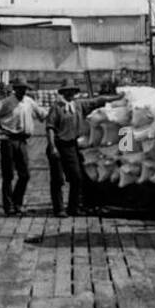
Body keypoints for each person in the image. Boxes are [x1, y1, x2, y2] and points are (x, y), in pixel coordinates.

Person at [0, 82, 46, 215]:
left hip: (22, 140)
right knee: (8, 175)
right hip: (8, 140)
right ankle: (8, 206)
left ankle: (17, 202)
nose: (22, 91)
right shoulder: (7, 102)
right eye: (19, 88)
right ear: (15, 89)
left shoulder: (29, 101)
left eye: (24, 89)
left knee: (25, 174)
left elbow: (42, 114)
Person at [46, 83, 88, 217]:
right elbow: (50, 127)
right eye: (67, 91)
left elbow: (96, 101)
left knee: (77, 177)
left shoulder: (78, 106)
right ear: (63, 93)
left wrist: (116, 97)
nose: (70, 94)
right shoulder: (57, 107)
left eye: (72, 91)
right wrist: (52, 147)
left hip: (71, 146)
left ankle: (73, 207)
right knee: (58, 179)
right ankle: (59, 209)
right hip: (58, 145)